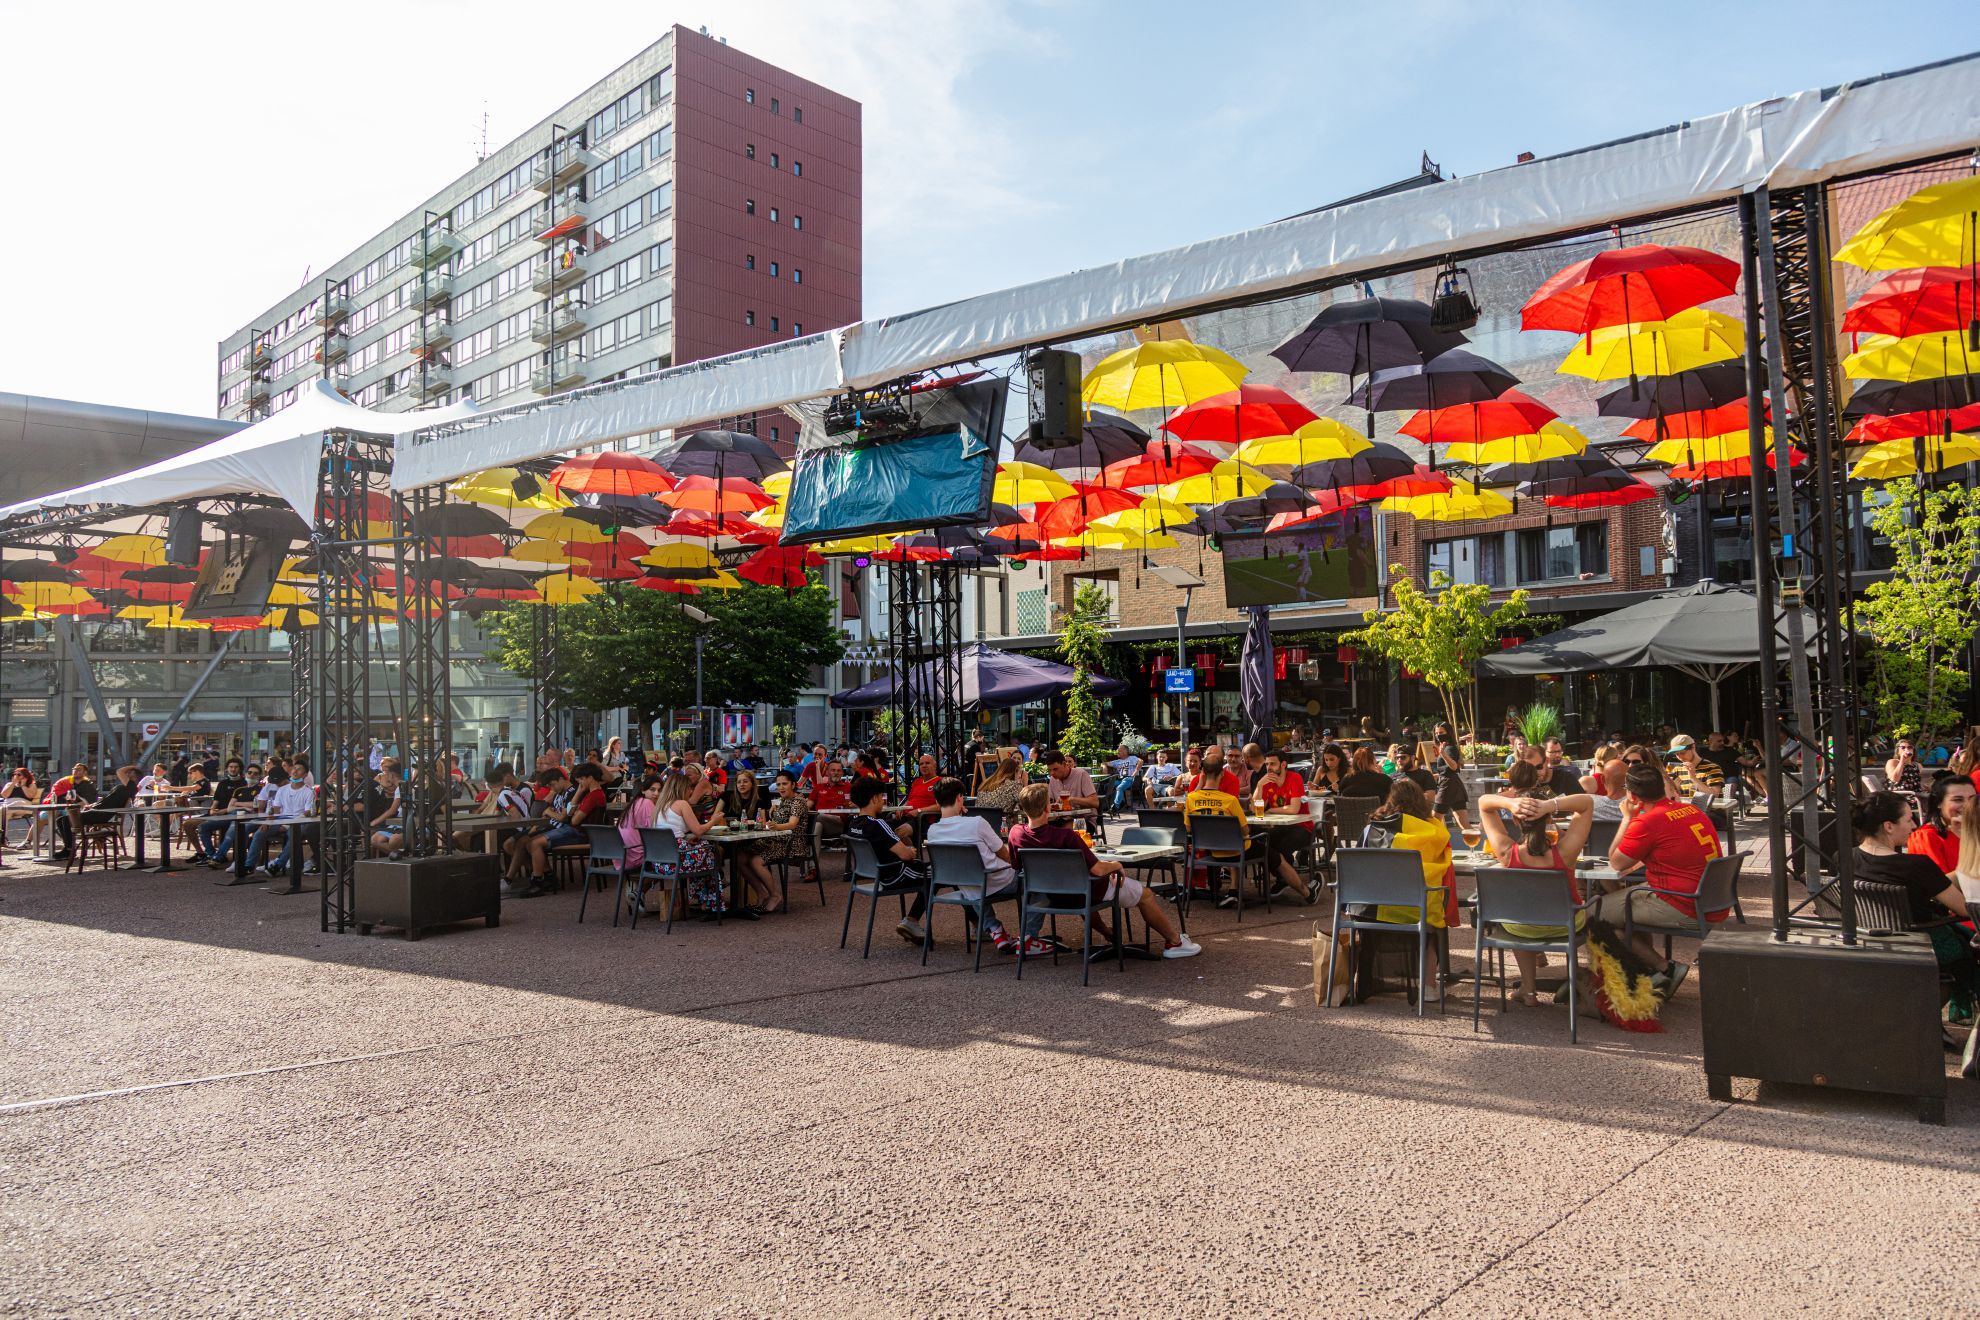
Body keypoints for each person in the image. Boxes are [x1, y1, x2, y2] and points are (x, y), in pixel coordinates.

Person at [1011, 782, 1199, 958]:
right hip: (1088, 891)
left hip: (1053, 895)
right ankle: (1175, 941)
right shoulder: (1066, 836)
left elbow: (1016, 865)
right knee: (1146, 895)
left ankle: (1110, 934)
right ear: (1047, 808)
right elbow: (1099, 869)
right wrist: (1116, 865)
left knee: (1083, 890)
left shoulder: (1016, 833)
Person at [1853, 791, 1977, 1022]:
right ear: (1889, 826)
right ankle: (1928, 1019)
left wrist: (1960, 874)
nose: (1914, 825)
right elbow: (1965, 909)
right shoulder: (1915, 865)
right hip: (1922, 942)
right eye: (1909, 819)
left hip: (1868, 938)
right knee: (1968, 943)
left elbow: (1926, 882)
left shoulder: (1846, 858)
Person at [1476, 770, 1597, 1005]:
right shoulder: (1567, 852)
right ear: (1548, 819)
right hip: (1567, 924)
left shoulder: (1506, 852)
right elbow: (1586, 803)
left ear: (1515, 820)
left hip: (1523, 926)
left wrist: (1511, 803)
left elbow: (1484, 803)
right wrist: (1549, 805)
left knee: (1520, 916)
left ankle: (1529, 990)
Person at [1601, 762, 1724, 987]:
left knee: (1593, 916)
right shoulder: (1691, 809)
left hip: (1682, 904)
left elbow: (1616, 862)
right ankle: (1648, 969)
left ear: (1632, 796)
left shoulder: (1647, 821)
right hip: (1712, 900)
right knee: (1621, 912)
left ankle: (1664, 969)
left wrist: (1627, 818)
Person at [1362, 777, 1459, 1001]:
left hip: (1376, 907)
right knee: (1433, 925)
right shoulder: (1435, 832)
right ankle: (1428, 988)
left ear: (1390, 801)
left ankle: (1367, 982)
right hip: (1418, 907)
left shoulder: (1373, 830)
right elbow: (1445, 874)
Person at [923, 776, 1023, 952]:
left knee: (974, 884)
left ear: (937, 801)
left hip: (969, 886)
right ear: (960, 798)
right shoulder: (976, 822)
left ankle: (995, 929)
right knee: (1034, 879)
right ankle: (1029, 935)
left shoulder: (932, 832)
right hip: (998, 882)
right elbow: (1005, 854)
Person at [844, 777, 934, 944]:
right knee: (940, 872)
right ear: (874, 799)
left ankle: (912, 921)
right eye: (882, 797)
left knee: (935, 873)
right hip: (894, 874)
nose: (883, 801)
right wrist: (911, 849)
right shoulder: (878, 824)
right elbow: (907, 856)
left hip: (874, 873)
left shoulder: (852, 824)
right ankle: (912, 921)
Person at [647, 770, 728, 919]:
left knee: (703, 853)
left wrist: (686, 839)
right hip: (677, 861)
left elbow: (676, 831)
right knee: (712, 852)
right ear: (681, 788)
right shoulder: (682, 804)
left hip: (660, 862)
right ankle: (711, 901)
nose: (691, 790)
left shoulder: (659, 806)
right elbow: (697, 830)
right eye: (689, 787)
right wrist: (713, 821)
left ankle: (703, 899)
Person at [1249, 749, 1315, 903]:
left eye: (1272, 764)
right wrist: (1259, 786)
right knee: (1263, 845)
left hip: (1302, 826)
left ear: (1283, 764)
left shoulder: (1295, 778)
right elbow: (1255, 809)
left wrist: (1270, 809)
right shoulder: (1265, 781)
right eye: (1267, 764)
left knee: (1283, 848)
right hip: (1280, 826)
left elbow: (1293, 809)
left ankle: (1284, 880)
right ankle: (1284, 879)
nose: (1269, 767)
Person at [55, 763, 138, 858]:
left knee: (66, 820)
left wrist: (133, 766)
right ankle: (68, 847)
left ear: (135, 777)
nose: (127, 774)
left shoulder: (131, 786)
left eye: (130, 773)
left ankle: (69, 850)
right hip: (97, 810)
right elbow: (105, 800)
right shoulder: (124, 787)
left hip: (101, 814)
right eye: (127, 772)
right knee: (60, 820)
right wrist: (91, 805)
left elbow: (119, 771)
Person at [1906, 774, 1972, 875]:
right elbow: (1938, 885)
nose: (1968, 806)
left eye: (1972, 799)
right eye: (1957, 800)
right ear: (1939, 803)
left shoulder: (1972, 830)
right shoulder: (1926, 836)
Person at [758, 769, 815, 882]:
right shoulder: (784, 800)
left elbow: (792, 824)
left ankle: (773, 894)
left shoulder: (797, 801)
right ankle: (755, 894)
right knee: (742, 855)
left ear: (793, 785)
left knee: (753, 860)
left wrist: (774, 826)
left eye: (785, 784)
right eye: (778, 784)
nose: (781, 787)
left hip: (791, 845)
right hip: (778, 841)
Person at [1428, 723, 1470, 829]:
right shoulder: (1446, 747)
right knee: (1463, 823)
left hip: (1447, 785)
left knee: (1434, 820)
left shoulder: (1449, 748)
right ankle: (1479, 843)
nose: (1438, 735)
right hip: (1454, 785)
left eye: (1441, 732)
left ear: (1448, 733)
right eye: (1436, 733)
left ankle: (1438, 844)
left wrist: (1443, 754)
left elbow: (1454, 767)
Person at [1043, 750, 1098, 816]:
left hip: (1084, 819)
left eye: (1055, 769)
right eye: (1049, 770)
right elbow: (1050, 801)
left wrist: (1072, 799)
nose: (1052, 773)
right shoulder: (1053, 779)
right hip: (1060, 819)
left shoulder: (1081, 774)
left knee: (1067, 825)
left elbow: (1095, 802)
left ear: (1064, 764)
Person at [974, 750, 1027, 815]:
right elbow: (1025, 804)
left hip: (980, 820)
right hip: (999, 822)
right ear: (1014, 772)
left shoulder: (986, 783)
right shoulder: (1014, 785)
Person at [1105, 744, 1144, 814]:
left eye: (1119, 750)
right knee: (1107, 786)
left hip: (1130, 779)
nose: (1117, 751)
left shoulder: (1132, 758)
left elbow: (1141, 761)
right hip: (1120, 780)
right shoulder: (1117, 761)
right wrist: (1104, 768)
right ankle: (1118, 803)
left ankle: (1116, 807)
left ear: (1125, 751)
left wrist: (1134, 773)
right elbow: (1104, 763)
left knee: (1120, 788)